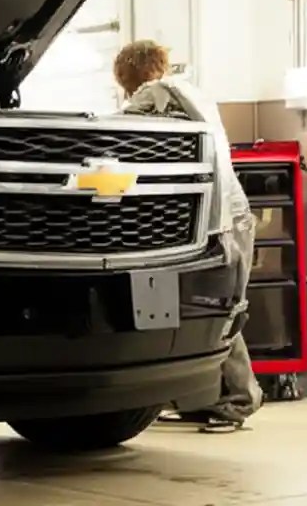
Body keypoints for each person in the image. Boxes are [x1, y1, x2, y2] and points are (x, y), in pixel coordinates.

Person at [113, 40, 262, 427]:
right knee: (197, 309)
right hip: (224, 215)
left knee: (217, 309)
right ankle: (200, 399)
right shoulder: (190, 93)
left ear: (130, 72)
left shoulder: (155, 95)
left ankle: (240, 400)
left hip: (217, 221)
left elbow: (118, 135)